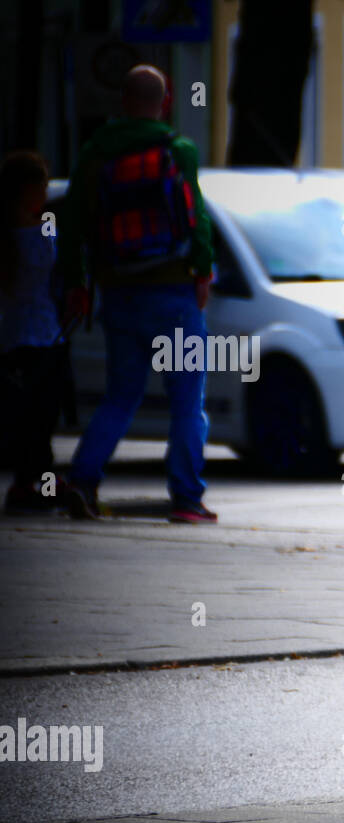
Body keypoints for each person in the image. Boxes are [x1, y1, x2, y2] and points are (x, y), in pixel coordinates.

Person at [57, 64, 217, 523]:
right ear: (165, 103)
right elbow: (197, 219)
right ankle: (186, 499)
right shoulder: (178, 150)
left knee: (121, 395)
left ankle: (82, 482)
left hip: (119, 294)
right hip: (174, 294)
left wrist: (77, 283)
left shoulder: (95, 154)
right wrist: (202, 272)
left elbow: (73, 226)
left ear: (123, 102)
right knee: (187, 402)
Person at [0, 151, 66, 514]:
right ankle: (42, 485)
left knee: (26, 419)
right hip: (46, 336)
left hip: (13, 337)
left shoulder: (8, 236)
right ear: (29, 191)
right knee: (43, 419)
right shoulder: (44, 231)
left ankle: (26, 484)